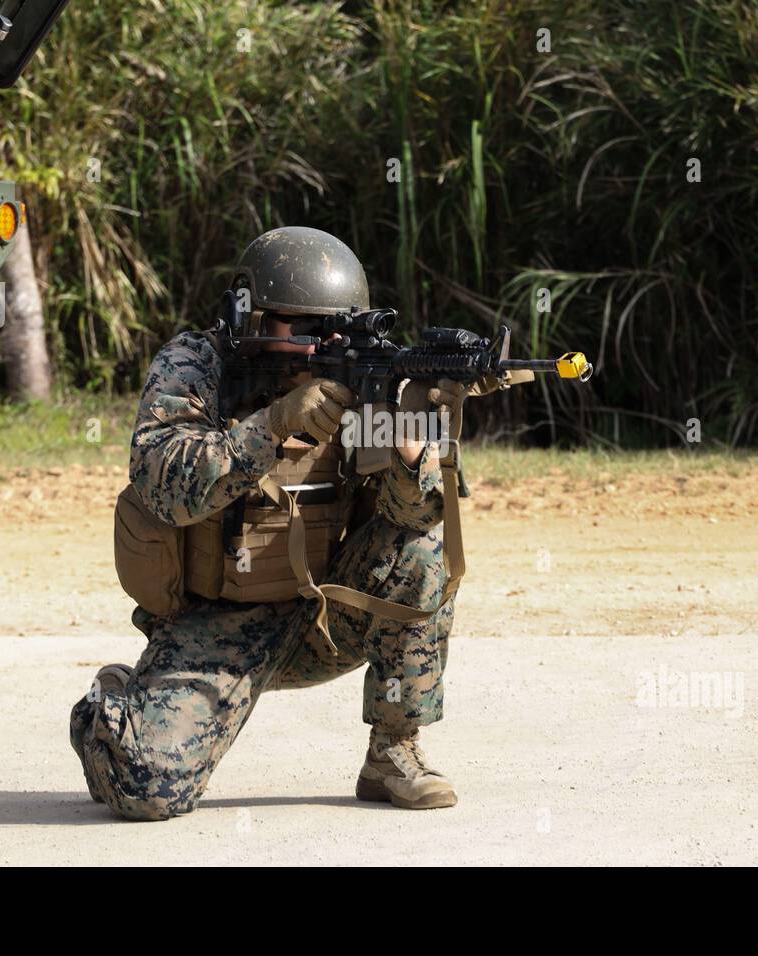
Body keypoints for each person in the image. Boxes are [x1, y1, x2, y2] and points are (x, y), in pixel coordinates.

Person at [69, 226, 526, 820]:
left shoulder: (368, 385)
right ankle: (113, 701)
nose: (323, 344)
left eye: (337, 329)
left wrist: (412, 451)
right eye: (304, 328)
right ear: (249, 315)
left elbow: (413, 519)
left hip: (321, 613)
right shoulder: (196, 365)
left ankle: (394, 750)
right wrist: (275, 422)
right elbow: (162, 481)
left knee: (422, 551)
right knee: (143, 790)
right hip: (215, 625)